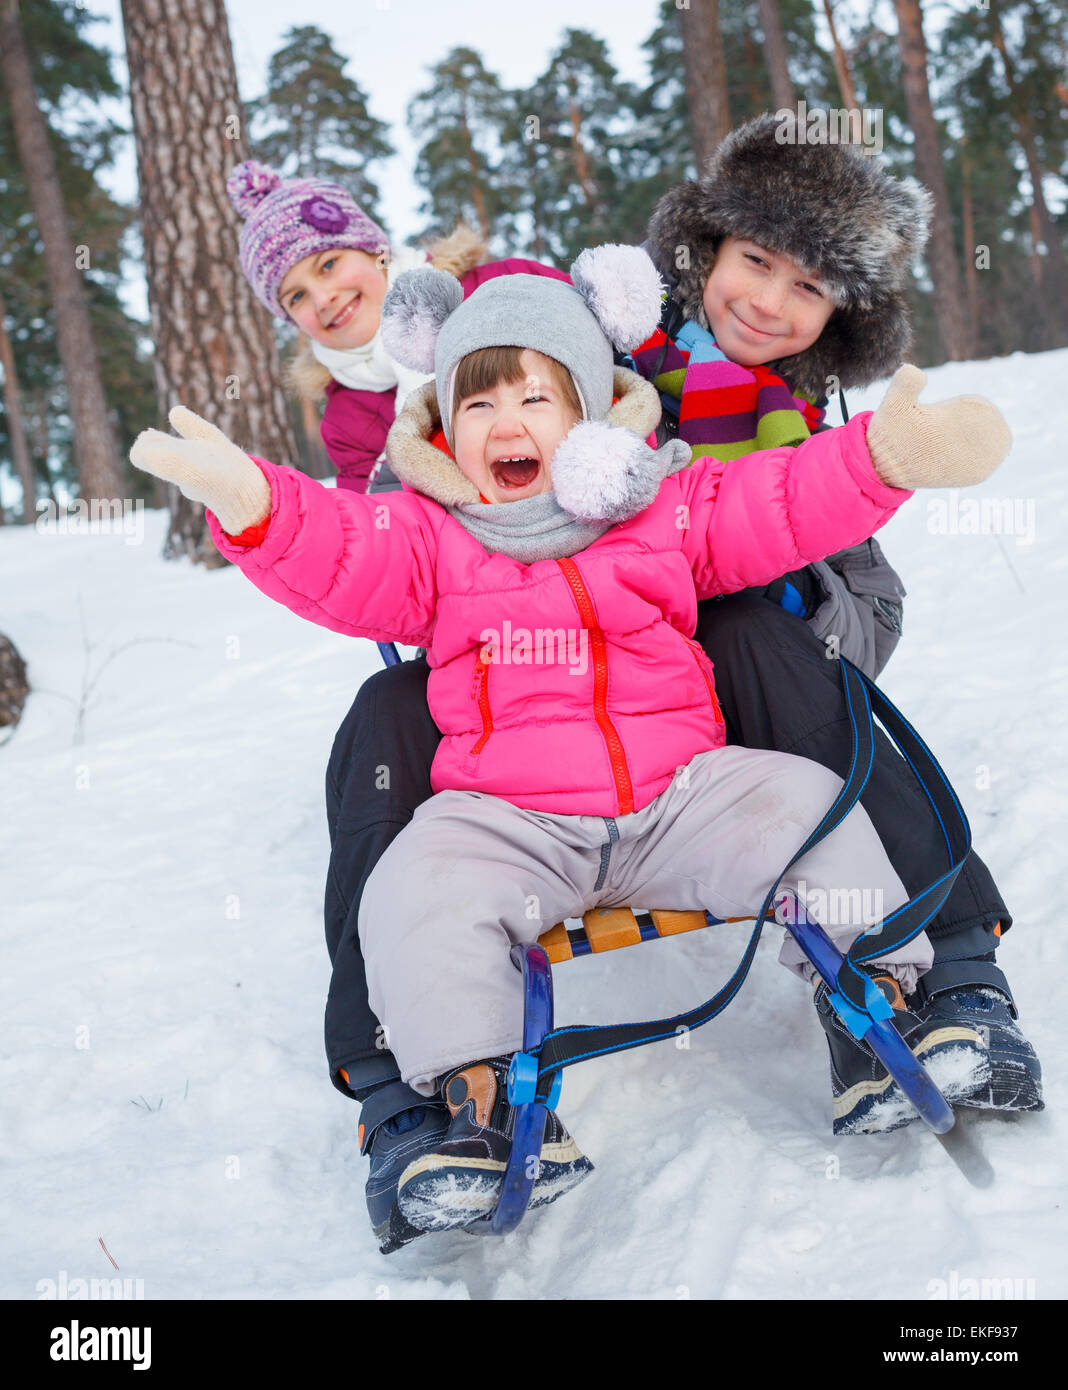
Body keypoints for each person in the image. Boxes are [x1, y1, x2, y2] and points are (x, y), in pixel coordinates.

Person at [128, 244, 1012, 1247]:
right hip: (509, 816)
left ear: (590, 417)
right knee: (417, 892)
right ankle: (486, 1103)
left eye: (535, 401)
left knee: (811, 807)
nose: (506, 425)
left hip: (680, 793)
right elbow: (338, 549)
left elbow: (776, 500)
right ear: (445, 430)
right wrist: (252, 503)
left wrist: (881, 458)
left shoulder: (658, 507)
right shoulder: (430, 535)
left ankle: (880, 1004)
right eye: (478, 406)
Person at [318, 118, 1042, 1235]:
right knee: (386, 712)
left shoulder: (809, 420)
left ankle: (945, 966)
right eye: (755, 260)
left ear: (838, 318)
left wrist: (783, 603)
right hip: (532, 670)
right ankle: (403, 1088)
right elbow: (470, 384)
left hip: (719, 689)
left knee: (756, 632)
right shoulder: (608, 358)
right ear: (704, 252)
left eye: (807, 286)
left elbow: (857, 582)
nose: (766, 301)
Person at [227, 159, 568, 492]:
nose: (322, 298)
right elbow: (378, 530)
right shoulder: (346, 421)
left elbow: (614, 356)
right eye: (297, 296)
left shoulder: (503, 286)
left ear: (375, 250)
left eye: (328, 264)